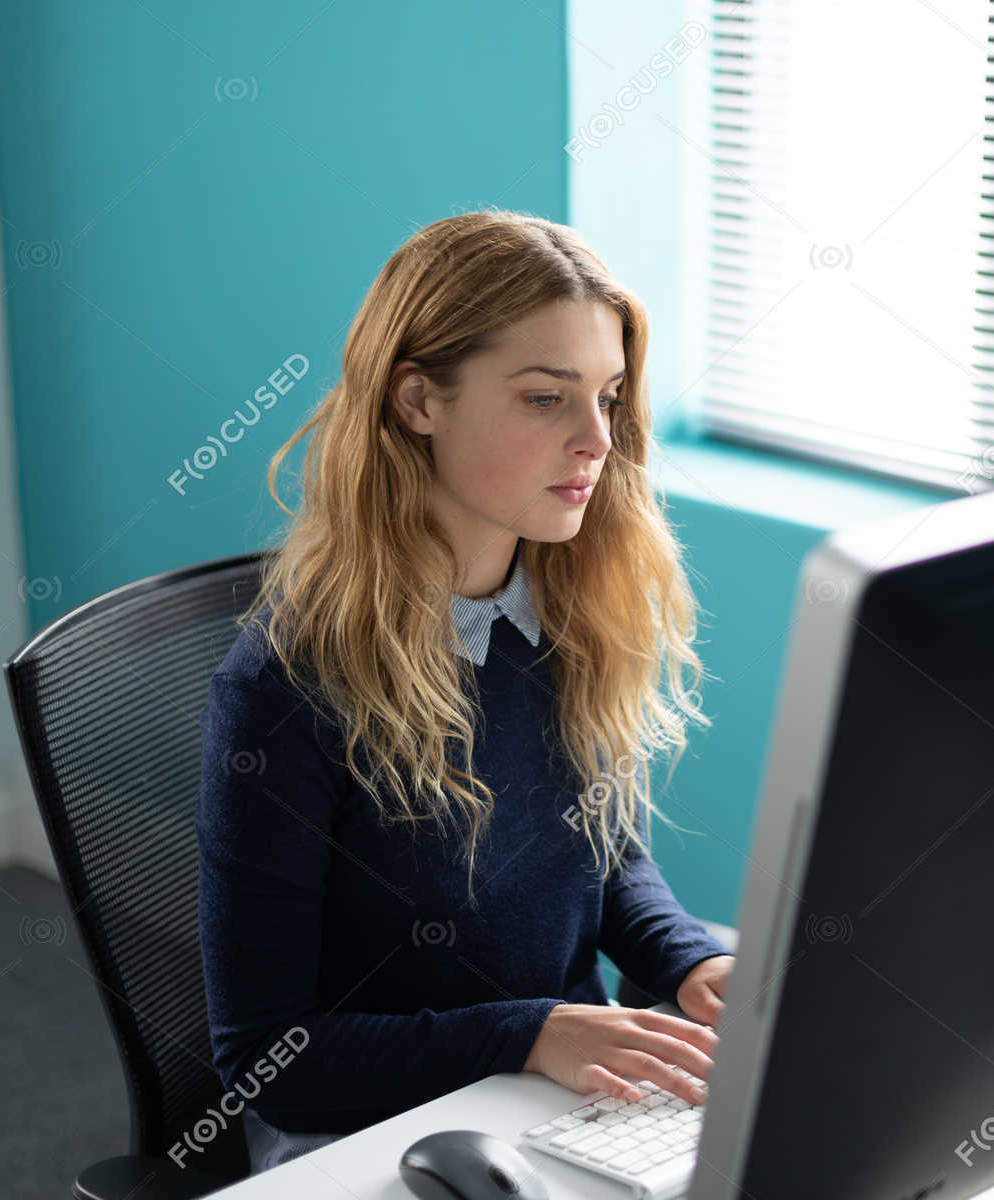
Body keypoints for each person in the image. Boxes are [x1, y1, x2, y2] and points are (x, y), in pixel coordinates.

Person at [193, 209, 736, 1175]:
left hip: (547, 1094)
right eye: (544, 399)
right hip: (364, 1131)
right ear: (416, 402)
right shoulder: (286, 683)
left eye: (609, 397)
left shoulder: (572, 607)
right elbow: (265, 1064)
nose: (597, 440)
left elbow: (604, 862)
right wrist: (526, 1032)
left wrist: (690, 963)